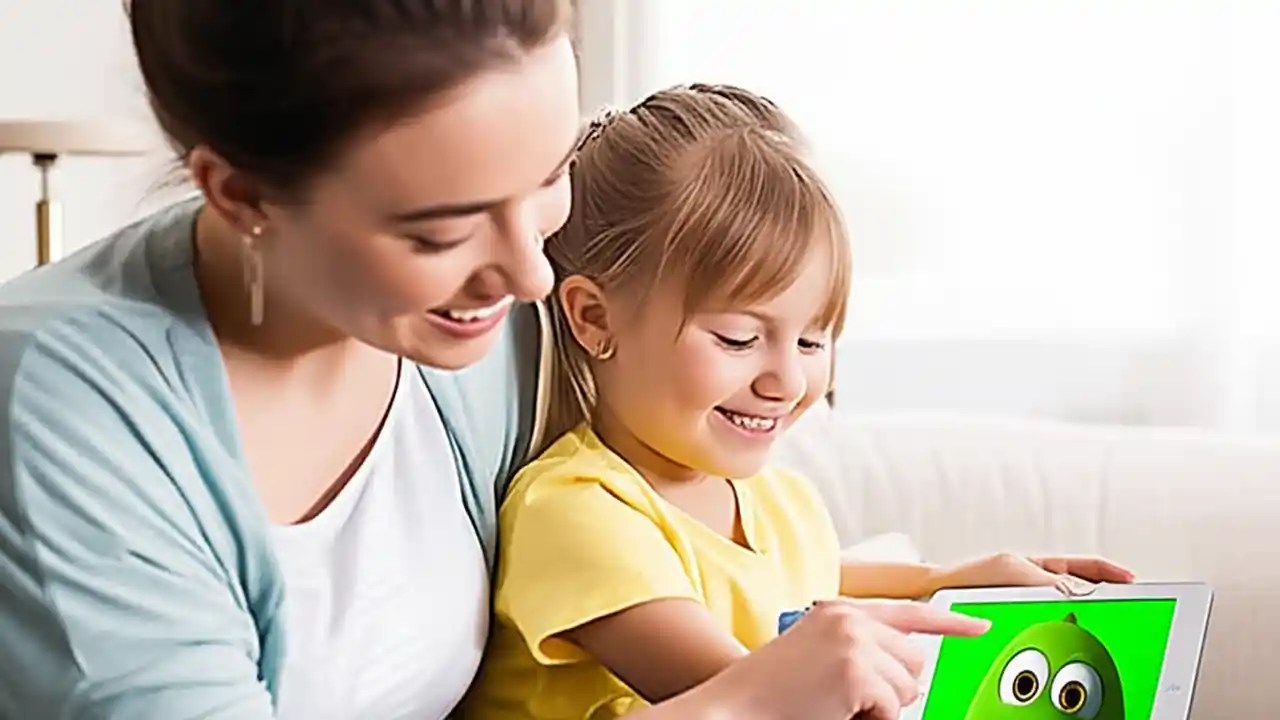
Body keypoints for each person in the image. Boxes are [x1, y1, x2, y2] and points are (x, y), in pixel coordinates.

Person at [0, 3, 1051, 719]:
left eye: (547, 180)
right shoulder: (68, 415)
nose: (532, 276)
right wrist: (737, 704)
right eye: (444, 229)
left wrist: (939, 589)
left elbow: (697, 547)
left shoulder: (506, 328)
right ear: (240, 194)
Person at [459, 85, 1135, 719]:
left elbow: (791, 583)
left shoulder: (777, 502)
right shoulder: (574, 511)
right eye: (739, 338)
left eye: (812, 341)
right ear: (594, 318)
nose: (784, 381)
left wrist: (949, 583)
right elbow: (757, 690)